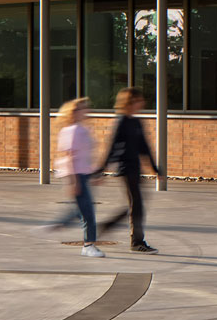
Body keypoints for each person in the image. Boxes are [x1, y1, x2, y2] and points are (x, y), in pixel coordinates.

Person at [96, 87, 163, 254]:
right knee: (137, 205)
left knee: (135, 205)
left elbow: (144, 147)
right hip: (126, 169)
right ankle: (137, 242)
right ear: (130, 102)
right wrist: (101, 170)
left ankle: (109, 224)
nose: (142, 103)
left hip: (136, 168)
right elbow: (112, 147)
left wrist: (155, 169)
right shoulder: (122, 122)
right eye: (139, 100)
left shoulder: (136, 121)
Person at [43, 97, 103, 257]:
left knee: (82, 209)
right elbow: (69, 157)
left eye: (87, 107)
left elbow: (86, 155)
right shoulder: (71, 131)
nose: (87, 110)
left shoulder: (83, 129)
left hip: (84, 174)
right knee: (88, 212)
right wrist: (72, 182)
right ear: (74, 112)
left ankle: (59, 224)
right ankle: (88, 245)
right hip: (77, 176)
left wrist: (95, 173)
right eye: (84, 108)